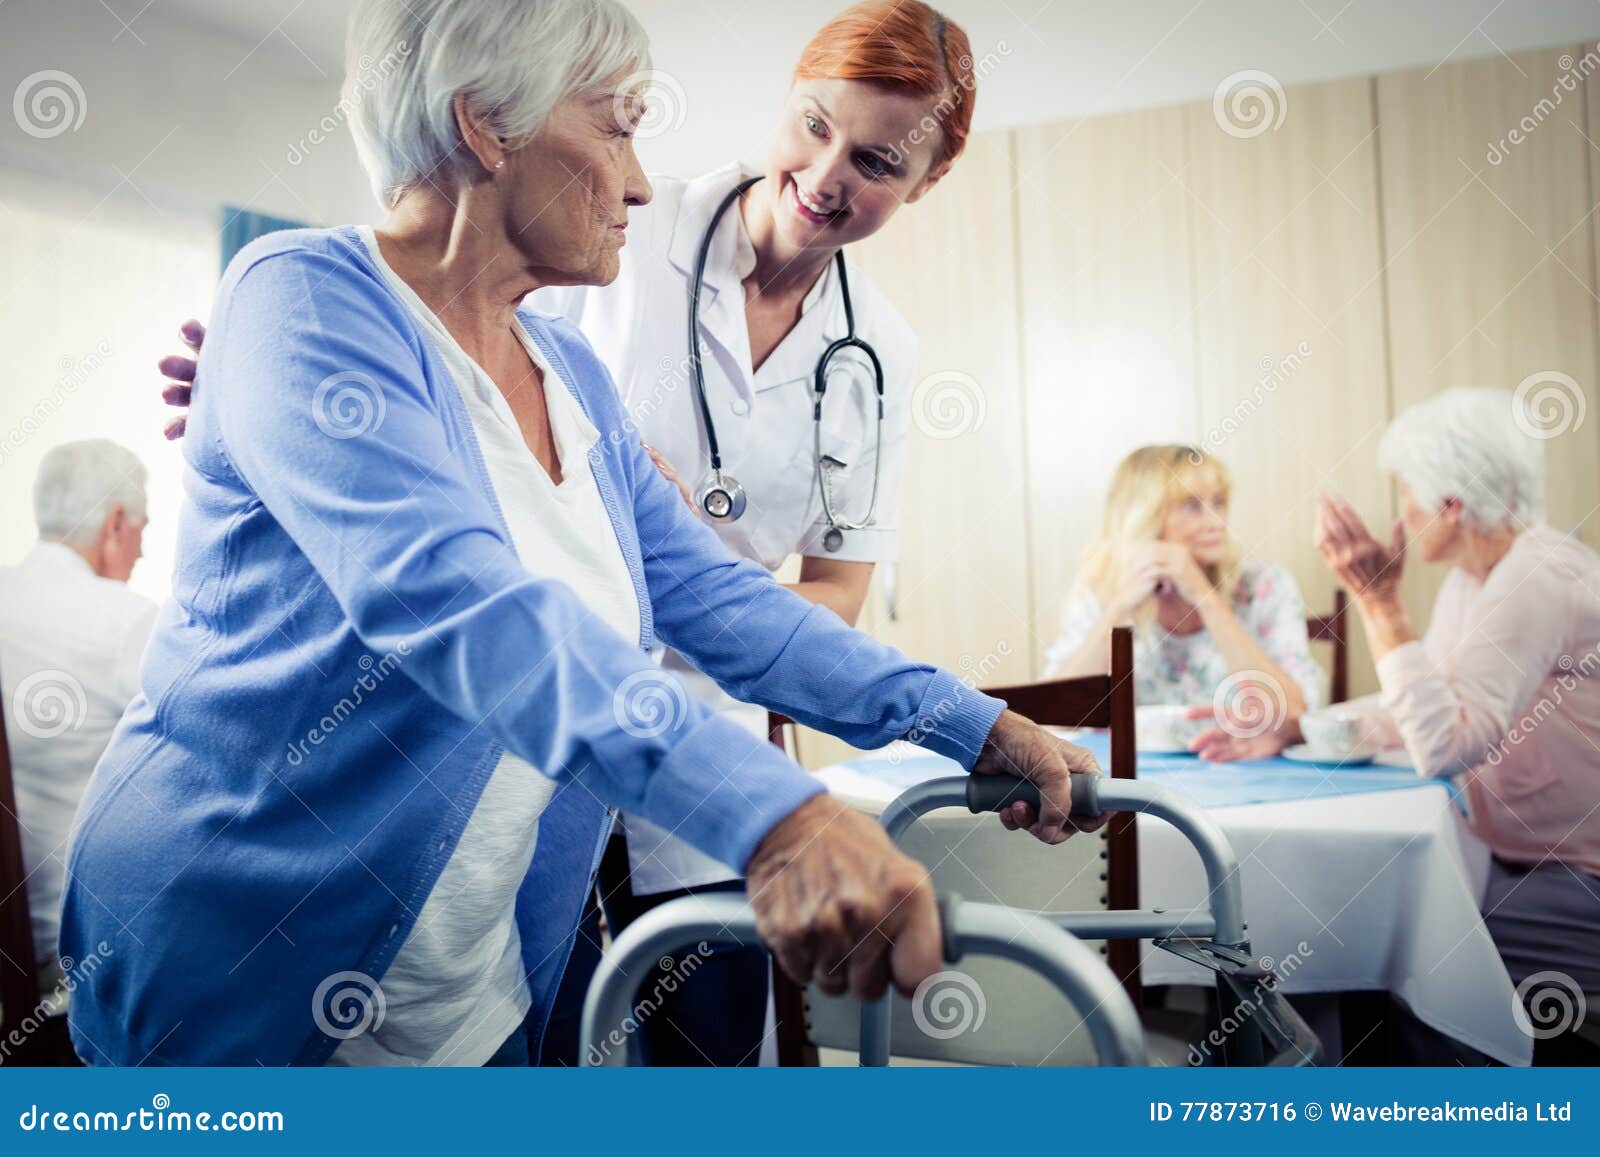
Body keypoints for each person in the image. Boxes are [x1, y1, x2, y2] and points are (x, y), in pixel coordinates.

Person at [66, 0, 1101, 1068]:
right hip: (244, 976)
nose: (643, 180)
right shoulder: (299, 297)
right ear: (485, 124)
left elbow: (726, 602)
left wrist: (975, 725)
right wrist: (777, 816)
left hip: (474, 985)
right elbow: (464, 606)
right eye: (617, 127)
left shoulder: (575, 379)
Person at [1195, 388, 1600, 1062]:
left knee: (1396, 951)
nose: (1401, 516)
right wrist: (1297, 727)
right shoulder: (1481, 578)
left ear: (1451, 505)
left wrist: (1380, 602)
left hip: (1578, 879)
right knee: (1350, 933)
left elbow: (1444, 744)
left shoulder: (1538, 575)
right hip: (1524, 859)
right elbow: (1422, 708)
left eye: (1408, 496)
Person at [0, 441, 155, 994]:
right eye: (142, 530)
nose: (139, 555)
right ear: (116, 524)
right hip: (80, 969)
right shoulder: (125, 623)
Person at [1044, 444, 1324, 718]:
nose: (1217, 522)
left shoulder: (1265, 586)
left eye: (1219, 502)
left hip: (1244, 761)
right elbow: (1053, 715)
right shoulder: (1099, 593)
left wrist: (1205, 596)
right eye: (1192, 506)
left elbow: (1296, 712)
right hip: (1126, 765)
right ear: (1145, 518)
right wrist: (1118, 610)